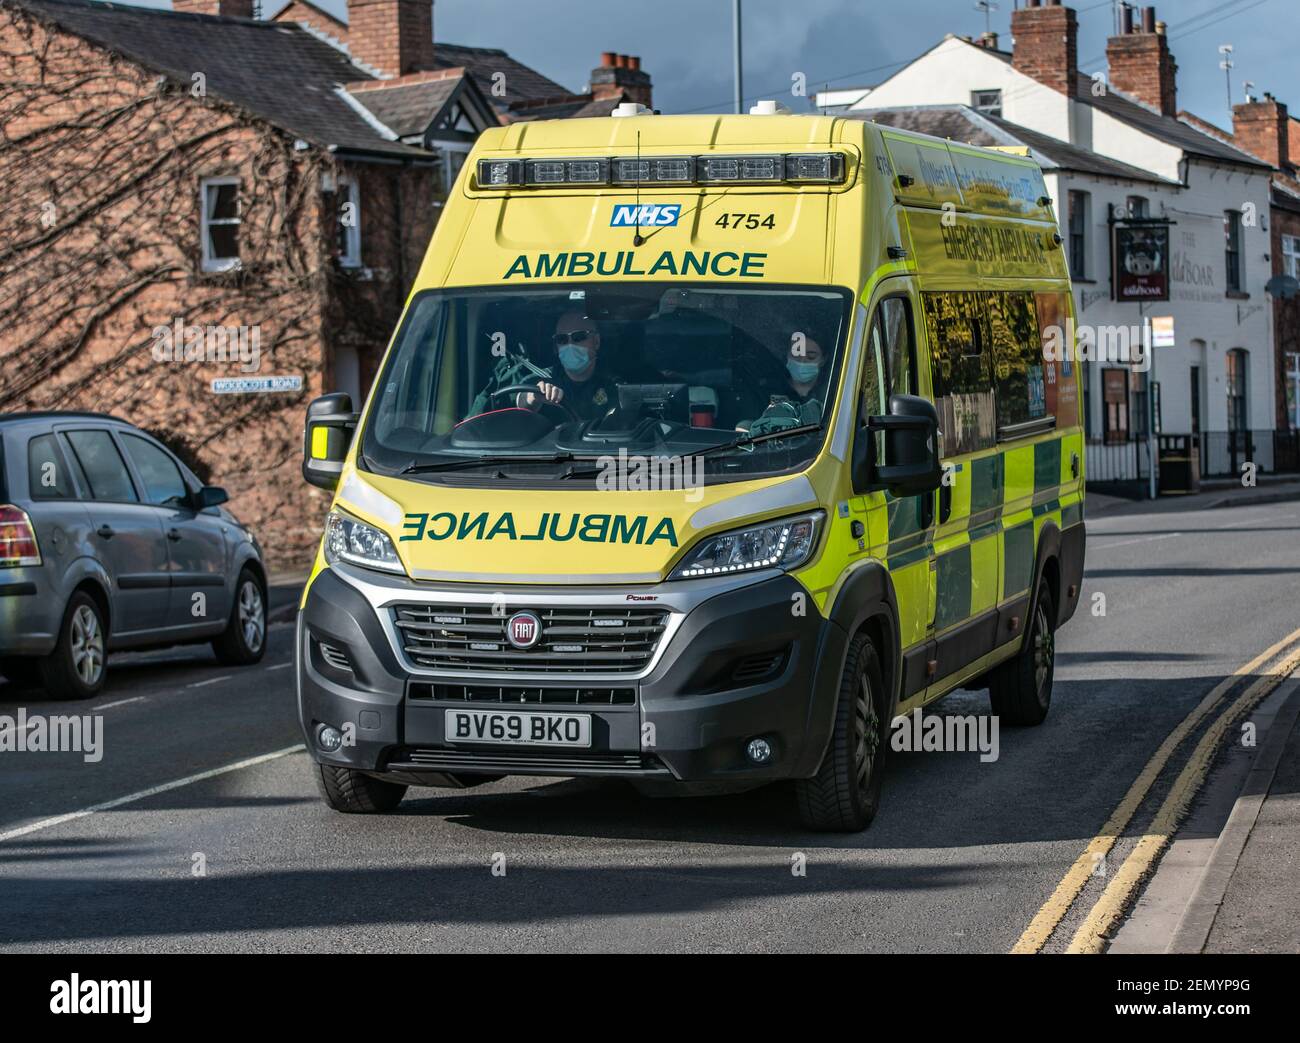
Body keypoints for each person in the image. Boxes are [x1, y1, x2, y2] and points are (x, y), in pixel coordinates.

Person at [518, 311, 621, 422]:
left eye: (579, 337)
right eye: (562, 339)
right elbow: (518, 403)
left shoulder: (614, 383)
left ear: (596, 341)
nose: (570, 344)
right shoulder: (541, 380)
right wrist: (533, 397)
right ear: (556, 347)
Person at [738, 334, 829, 432]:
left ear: (824, 359)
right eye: (796, 355)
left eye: (811, 356)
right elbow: (746, 426)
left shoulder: (832, 392)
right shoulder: (766, 390)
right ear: (787, 355)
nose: (802, 361)